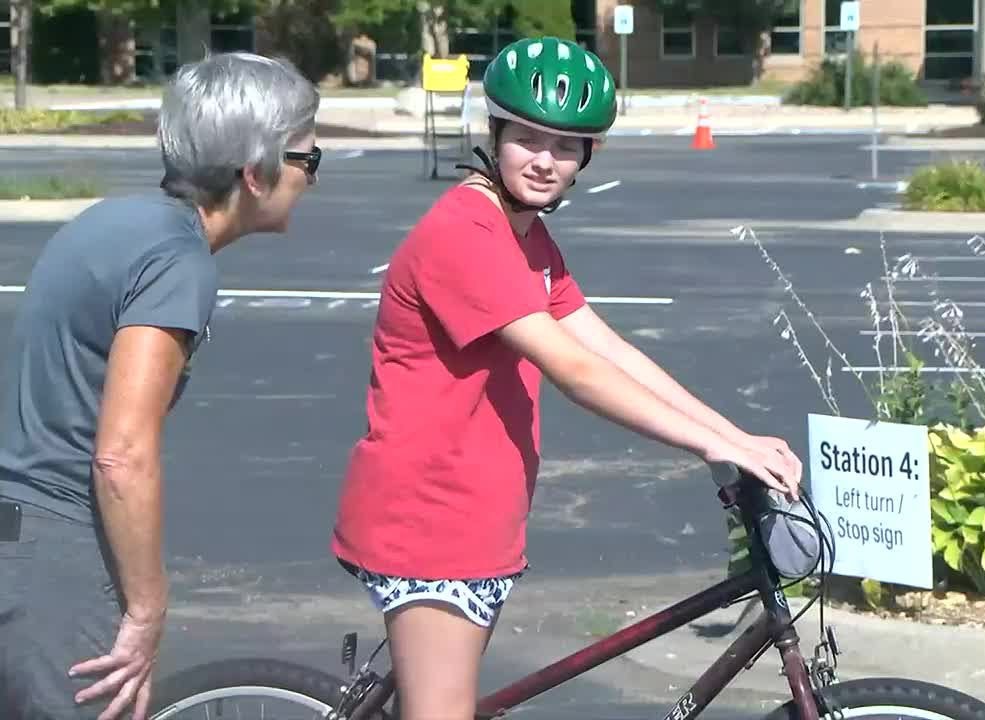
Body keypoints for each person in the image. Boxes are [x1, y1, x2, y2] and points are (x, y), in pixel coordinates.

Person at [330, 36, 803, 720]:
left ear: (589, 155)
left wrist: (735, 434)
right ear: (493, 131)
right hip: (429, 524)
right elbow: (575, 371)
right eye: (527, 138)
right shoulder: (466, 232)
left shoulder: (524, 235)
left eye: (566, 145)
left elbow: (604, 345)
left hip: (476, 522)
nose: (545, 160)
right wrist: (709, 447)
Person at [0, 51, 321, 720]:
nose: (312, 179)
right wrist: (148, 609)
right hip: (55, 544)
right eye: (306, 161)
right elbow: (121, 455)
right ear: (254, 174)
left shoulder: (118, 221)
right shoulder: (176, 262)